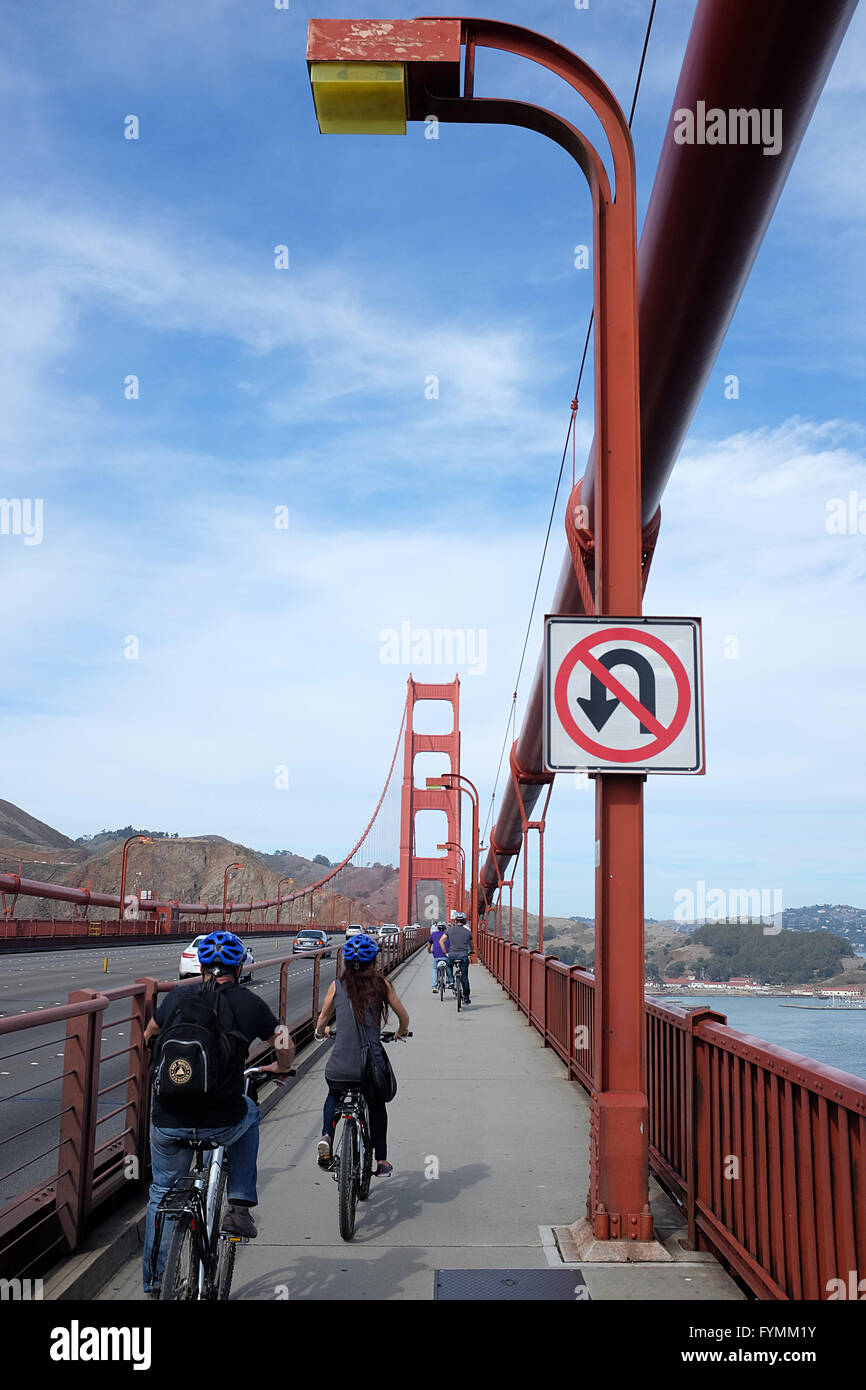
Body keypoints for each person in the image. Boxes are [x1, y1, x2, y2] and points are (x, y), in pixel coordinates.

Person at [141, 930, 294, 1297]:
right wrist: (281, 1068)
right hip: (222, 1119)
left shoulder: (178, 996)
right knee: (250, 1114)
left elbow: (149, 1035)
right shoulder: (249, 1003)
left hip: (168, 1118)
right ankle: (239, 1205)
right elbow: (284, 1040)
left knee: (161, 1195)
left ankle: (154, 1283)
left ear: (202, 967)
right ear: (238, 967)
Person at [314, 933, 409, 1177]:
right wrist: (400, 1032)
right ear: (373, 961)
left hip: (340, 1067)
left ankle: (326, 1134)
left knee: (334, 1094)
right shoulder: (382, 984)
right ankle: (381, 1160)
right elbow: (404, 1017)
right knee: (377, 1104)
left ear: (346, 960)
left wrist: (321, 1031)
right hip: (370, 1068)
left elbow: (323, 1018)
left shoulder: (337, 985)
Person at [442, 912, 473, 1004]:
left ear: (455, 920)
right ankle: (466, 998)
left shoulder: (449, 930)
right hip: (463, 956)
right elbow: (472, 945)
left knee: (448, 965)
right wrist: (471, 951)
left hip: (452, 955)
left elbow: (441, 941)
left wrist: (445, 952)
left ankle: (451, 980)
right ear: (464, 921)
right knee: (465, 977)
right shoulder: (467, 932)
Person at [427, 920, 450, 991]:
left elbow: (429, 945)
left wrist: (429, 951)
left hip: (436, 956)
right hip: (446, 955)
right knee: (449, 967)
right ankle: (449, 982)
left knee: (435, 969)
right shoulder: (448, 934)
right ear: (445, 928)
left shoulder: (433, 934)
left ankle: (434, 986)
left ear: (438, 928)